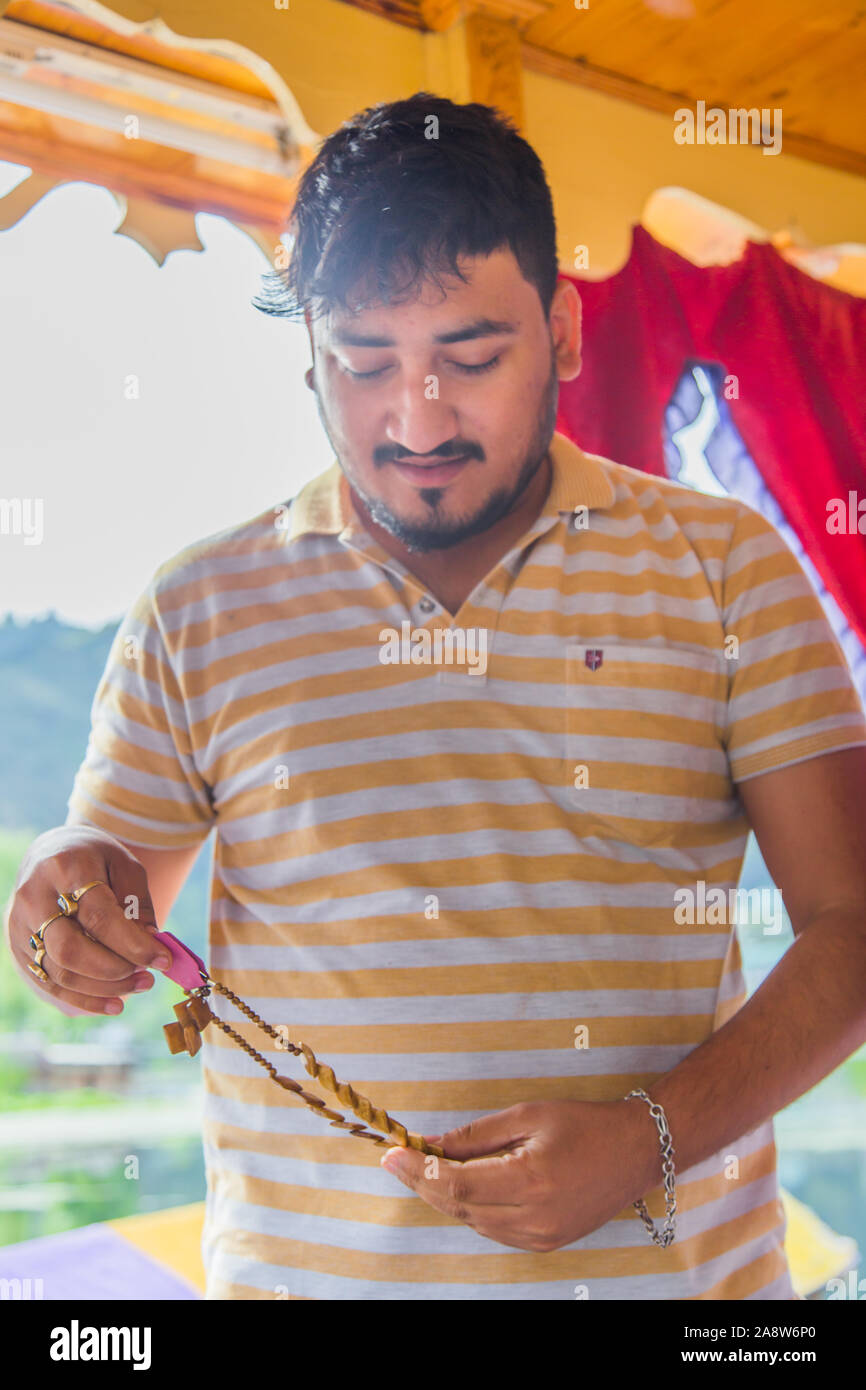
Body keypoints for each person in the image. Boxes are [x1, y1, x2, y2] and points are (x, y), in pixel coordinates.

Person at [6, 92, 866, 1301]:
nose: (415, 418)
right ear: (309, 355)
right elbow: (110, 895)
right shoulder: (199, 606)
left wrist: (650, 1136)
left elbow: (851, 921)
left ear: (564, 333)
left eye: (470, 358)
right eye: (362, 363)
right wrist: (64, 905)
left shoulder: (724, 570)